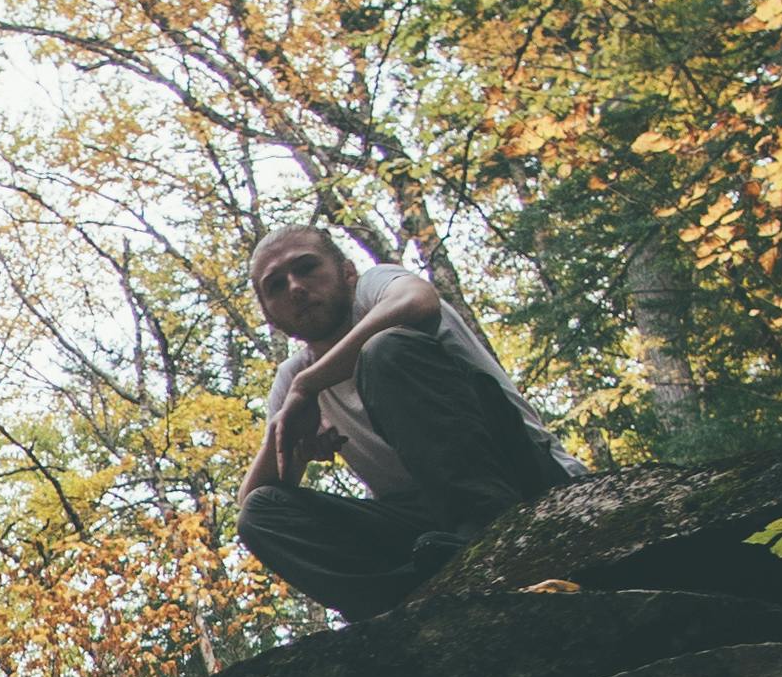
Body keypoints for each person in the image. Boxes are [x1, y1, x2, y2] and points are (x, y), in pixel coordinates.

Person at [235, 226, 565, 620]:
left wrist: (310, 386)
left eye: (306, 268)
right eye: (275, 286)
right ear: (271, 316)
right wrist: (298, 448)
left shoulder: (375, 289)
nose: (295, 288)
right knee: (261, 513)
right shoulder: (291, 378)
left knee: (385, 349)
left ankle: (488, 534)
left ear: (347, 272)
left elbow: (418, 300)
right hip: (427, 527)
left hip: (515, 475)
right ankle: (401, 606)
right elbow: (254, 502)